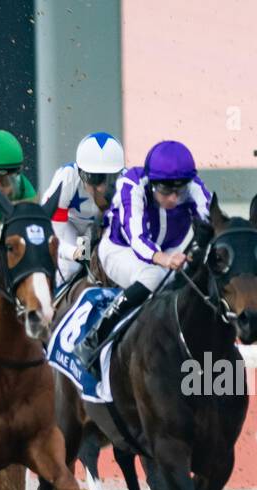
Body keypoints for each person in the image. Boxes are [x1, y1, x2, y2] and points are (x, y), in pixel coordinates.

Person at [73, 139, 211, 377]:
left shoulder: (195, 187)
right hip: (120, 249)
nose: (174, 199)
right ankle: (94, 338)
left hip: (168, 250)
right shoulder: (133, 184)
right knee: (154, 275)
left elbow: (210, 220)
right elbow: (136, 238)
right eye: (166, 191)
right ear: (152, 182)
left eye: (181, 190)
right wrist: (162, 258)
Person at [41, 132, 126, 285]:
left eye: (109, 178)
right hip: (67, 225)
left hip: (92, 228)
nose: (101, 187)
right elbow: (51, 235)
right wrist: (72, 252)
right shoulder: (67, 178)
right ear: (81, 172)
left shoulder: (125, 182)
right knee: (71, 268)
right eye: (95, 178)